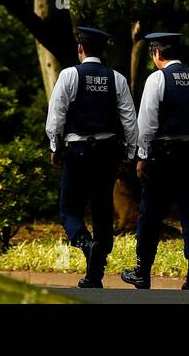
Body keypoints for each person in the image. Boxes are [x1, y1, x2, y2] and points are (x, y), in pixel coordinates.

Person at [45, 26, 138, 288]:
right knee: (102, 209)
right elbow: (129, 120)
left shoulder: (69, 75)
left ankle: (86, 244)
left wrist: (55, 147)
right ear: (104, 51)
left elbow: (56, 117)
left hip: (78, 151)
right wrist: (131, 152)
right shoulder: (116, 78)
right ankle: (95, 274)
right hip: (107, 153)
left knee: (69, 210)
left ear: (80, 49)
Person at [121, 32, 189, 290]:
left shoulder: (157, 79)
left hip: (163, 156)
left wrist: (142, 156)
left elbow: (147, 123)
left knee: (149, 215)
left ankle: (142, 270)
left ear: (157, 54)